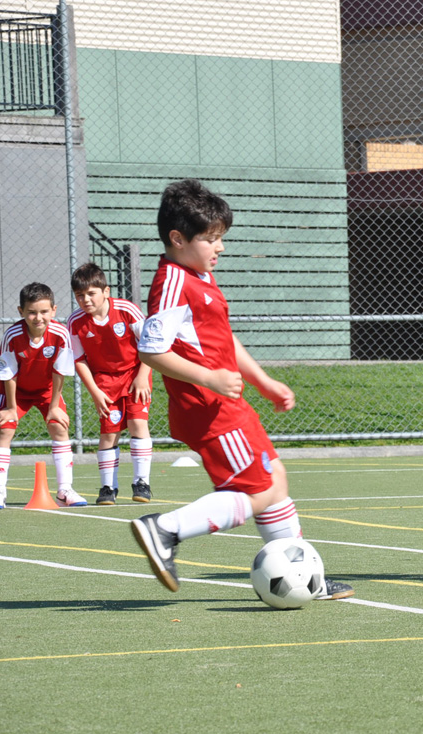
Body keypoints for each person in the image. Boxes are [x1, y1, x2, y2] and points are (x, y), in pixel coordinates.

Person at [130, 179, 353, 600]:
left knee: (275, 478)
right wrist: (210, 378)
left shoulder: (200, 276)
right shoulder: (174, 281)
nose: (220, 247)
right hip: (208, 406)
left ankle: (305, 578)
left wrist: (263, 381)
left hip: (228, 403)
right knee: (261, 488)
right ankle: (164, 529)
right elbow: (151, 350)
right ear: (178, 239)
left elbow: (223, 338)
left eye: (221, 238)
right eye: (211, 239)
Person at [0, 283, 87, 508]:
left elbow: (60, 371)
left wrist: (54, 406)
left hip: (47, 390)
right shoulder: (12, 335)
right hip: (16, 390)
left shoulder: (60, 333)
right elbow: (8, 373)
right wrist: (12, 408)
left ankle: (65, 490)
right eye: (32, 312)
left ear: (53, 310)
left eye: (44, 312)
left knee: (58, 425)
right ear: (21, 311)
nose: (38, 317)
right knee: (5, 428)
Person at [68, 263, 154, 505]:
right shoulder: (74, 322)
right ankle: (108, 488)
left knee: (138, 422)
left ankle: (142, 483)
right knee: (109, 432)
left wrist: (141, 376)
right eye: (79, 295)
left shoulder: (127, 310)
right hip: (104, 381)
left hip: (136, 372)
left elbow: (150, 345)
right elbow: (78, 360)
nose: (85, 300)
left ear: (106, 291)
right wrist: (95, 392)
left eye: (91, 293)